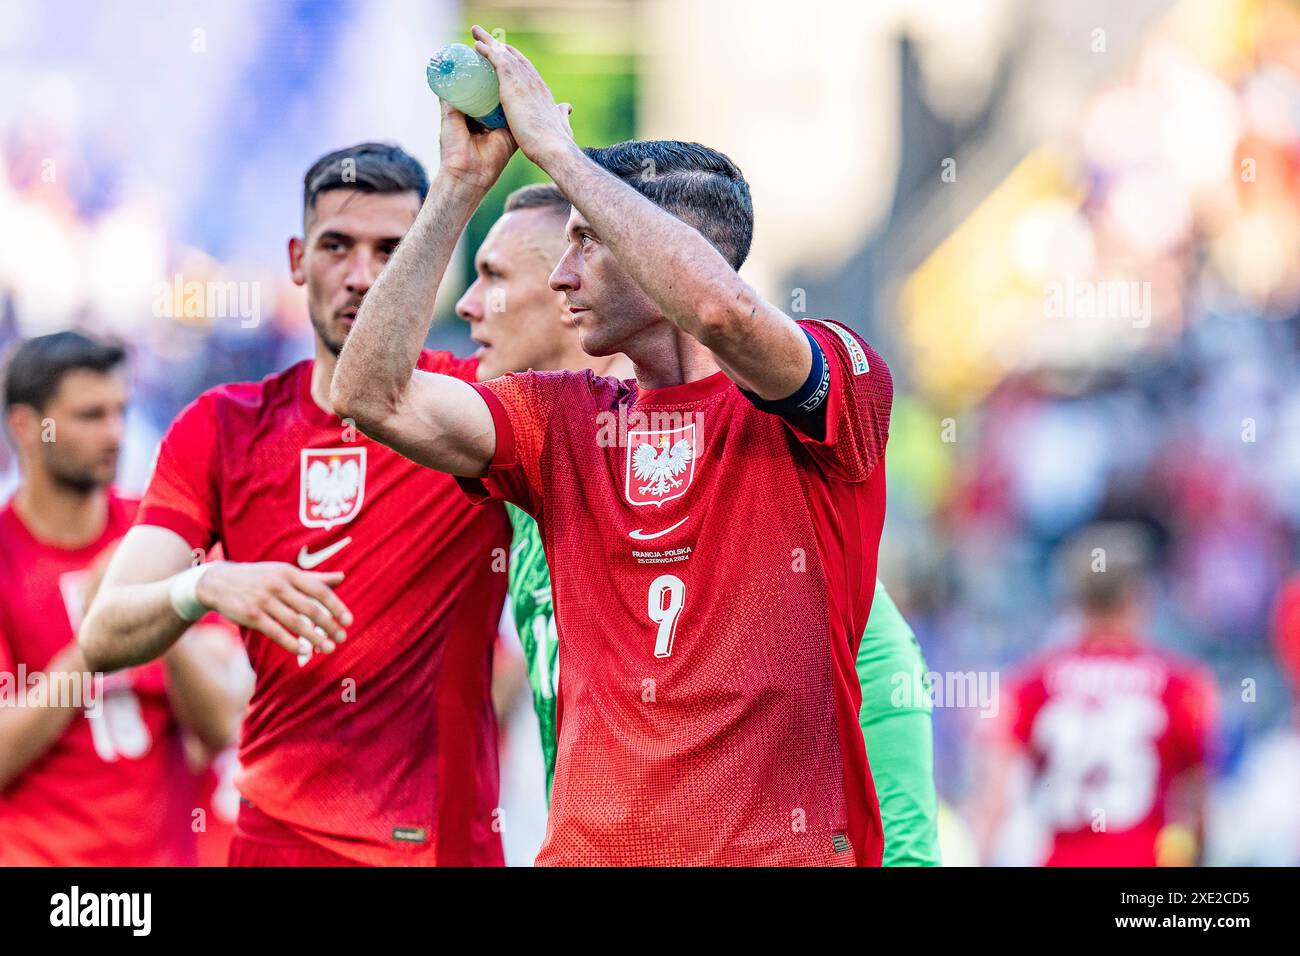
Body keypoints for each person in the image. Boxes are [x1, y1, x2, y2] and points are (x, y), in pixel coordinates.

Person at [332, 28, 894, 866]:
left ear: (657, 249)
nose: (561, 275)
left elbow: (721, 313)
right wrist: (456, 188)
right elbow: (370, 395)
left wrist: (560, 155)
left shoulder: (832, 379)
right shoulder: (560, 417)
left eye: (585, 240)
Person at [464, 182, 939, 863]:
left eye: (496, 278)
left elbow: (880, 687)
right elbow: (376, 397)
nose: (469, 303)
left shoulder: (768, 474)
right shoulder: (532, 453)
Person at [79, 143, 513, 866]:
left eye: (391, 251)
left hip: (437, 849)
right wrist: (203, 585)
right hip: (276, 843)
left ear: (429, 265)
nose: (361, 276)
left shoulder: (479, 411)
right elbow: (103, 633)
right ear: (295, 260)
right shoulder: (223, 427)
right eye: (337, 246)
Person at [0, 332, 247, 865]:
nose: (115, 434)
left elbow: (221, 723)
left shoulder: (161, 531)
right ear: (25, 426)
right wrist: (101, 639)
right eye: (90, 416)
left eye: (120, 411)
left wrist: (159, 607)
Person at [981, 524, 1219, 866]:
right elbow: (1198, 808)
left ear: (1075, 600)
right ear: (1139, 596)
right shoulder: (1181, 686)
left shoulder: (1031, 684)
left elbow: (995, 802)